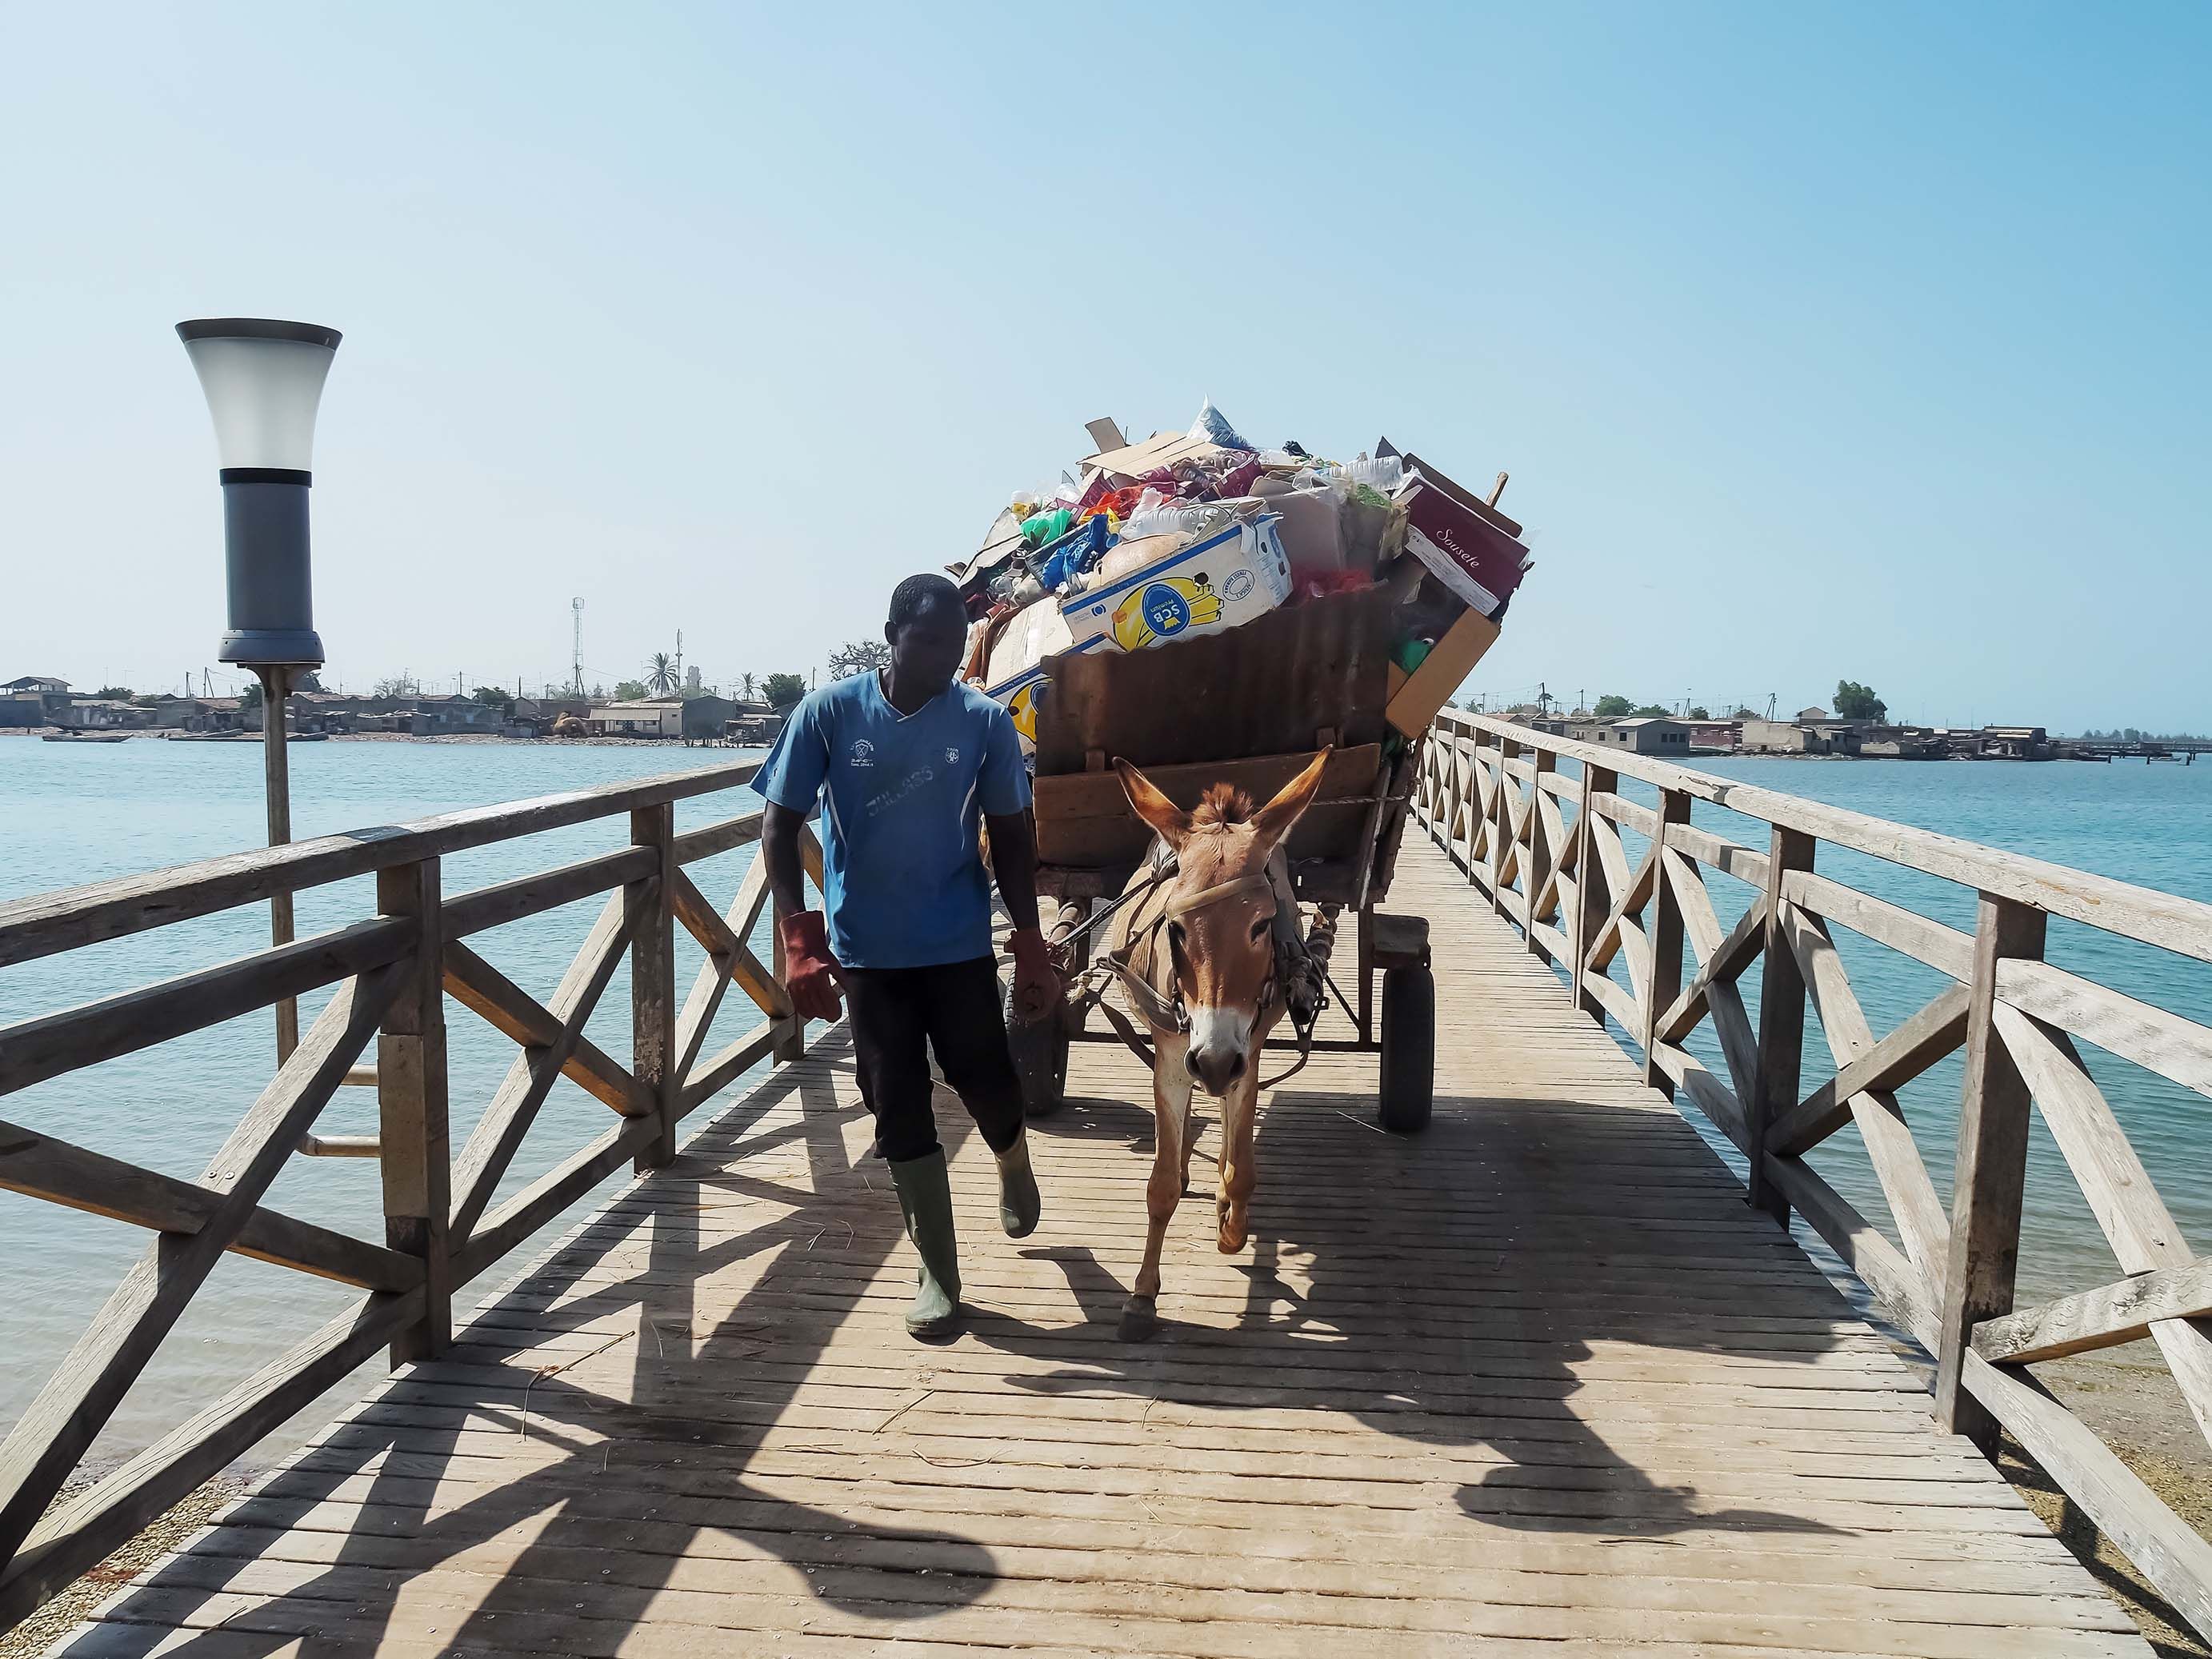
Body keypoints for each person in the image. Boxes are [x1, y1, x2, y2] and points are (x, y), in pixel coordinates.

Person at [756, 573, 1061, 1338]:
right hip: (867, 949)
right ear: (891, 634)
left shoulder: (984, 722)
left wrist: (1029, 945)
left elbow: (1015, 839)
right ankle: (938, 1272)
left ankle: (1011, 1156)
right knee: (894, 1100)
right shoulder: (828, 713)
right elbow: (777, 827)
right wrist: (799, 943)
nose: (940, 661)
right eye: (926, 642)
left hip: (956, 941)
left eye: (955, 647)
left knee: (985, 1080)